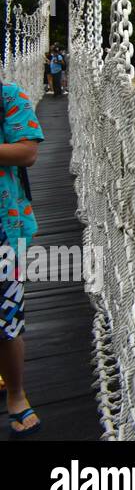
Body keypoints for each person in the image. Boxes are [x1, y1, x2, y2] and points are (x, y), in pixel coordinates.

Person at [0, 80, 43, 436]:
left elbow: (27, 152)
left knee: (7, 318)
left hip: (3, 229)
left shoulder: (8, 96)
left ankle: (16, 393)